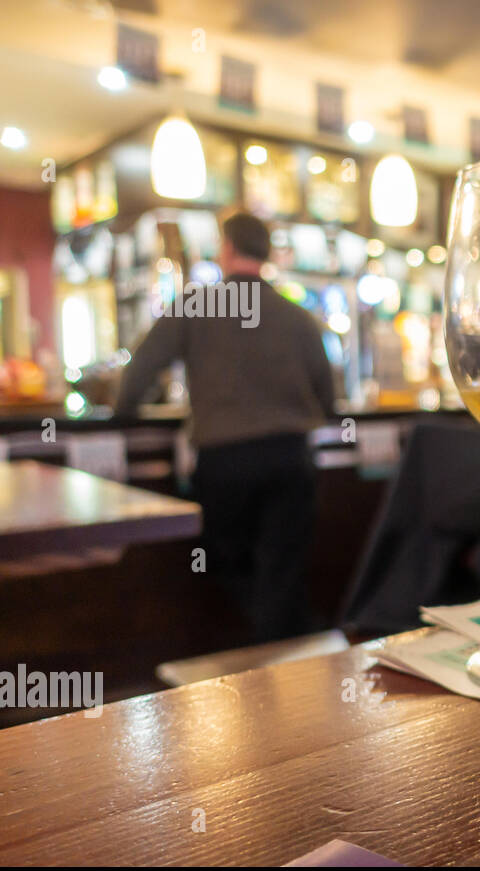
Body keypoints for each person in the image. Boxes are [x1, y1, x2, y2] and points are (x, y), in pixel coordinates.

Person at [117, 210, 336, 643]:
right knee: (281, 570)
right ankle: (283, 659)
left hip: (224, 462)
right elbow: (328, 397)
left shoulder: (197, 304)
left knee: (223, 565)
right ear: (267, 253)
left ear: (227, 249)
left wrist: (123, 415)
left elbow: (140, 370)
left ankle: (250, 660)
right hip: (291, 458)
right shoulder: (298, 316)